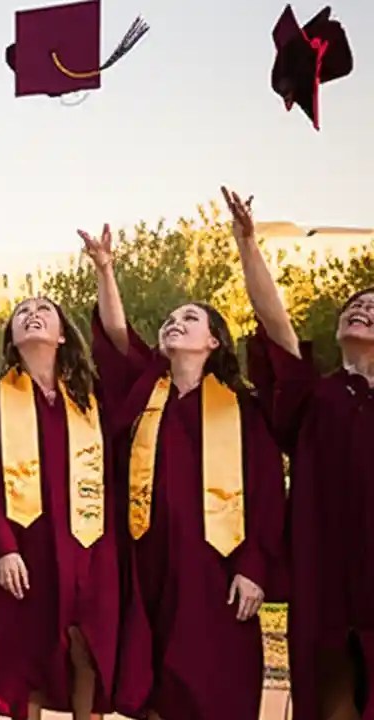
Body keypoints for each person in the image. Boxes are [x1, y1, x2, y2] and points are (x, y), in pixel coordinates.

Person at [83, 221, 287, 720]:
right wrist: (107, 271)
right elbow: (115, 335)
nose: (175, 322)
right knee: (152, 687)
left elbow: (266, 498)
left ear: (214, 341)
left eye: (190, 318)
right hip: (146, 562)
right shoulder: (144, 391)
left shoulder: (241, 409)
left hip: (216, 571)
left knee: (213, 688)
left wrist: (254, 570)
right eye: (171, 318)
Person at [230, 185, 374, 720]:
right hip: (327, 588)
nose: (360, 310)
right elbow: (276, 324)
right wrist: (248, 246)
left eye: (372, 308)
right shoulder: (319, 397)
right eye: (355, 306)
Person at [0, 297, 119, 720]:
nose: (32, 314)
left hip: (90, 546)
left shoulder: (91, 401)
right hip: (24, 549)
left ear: (63, 333)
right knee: (25, 661)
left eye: (44, 310)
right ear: (12, 339)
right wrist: (1, 547)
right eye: (21, 312)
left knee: (88, 649)